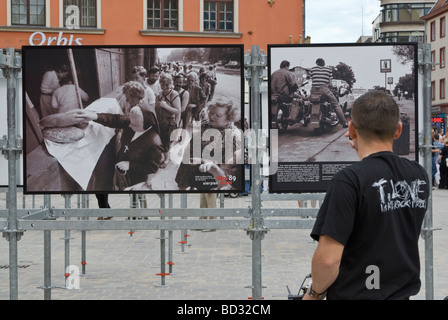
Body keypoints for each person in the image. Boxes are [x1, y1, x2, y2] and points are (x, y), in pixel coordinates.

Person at [303, 91, 429, 300]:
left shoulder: (349, 180)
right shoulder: (418, 174)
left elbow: (328, 260)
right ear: (398, 130)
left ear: (351, 128)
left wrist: (314, 294)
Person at [308, 58, 348, 128]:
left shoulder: (312, 69)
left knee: (309, 102)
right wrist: (330, 89)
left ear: (316, 63)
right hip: (324, 89)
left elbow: (312, 79)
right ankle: (344, 122)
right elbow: (330, 84)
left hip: (314, 90)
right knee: (336, 105)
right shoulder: (328, 70)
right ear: (324, 63)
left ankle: (306, 118)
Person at [155, 73, 181, 151]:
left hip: (169, 124)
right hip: (160, 122)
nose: (165, 87)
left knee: (167, 143)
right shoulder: (160, 94)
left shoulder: (174, 94)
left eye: (167, 85)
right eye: (163, 85)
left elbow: (178, 111)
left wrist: (165, 106)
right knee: (159, 141)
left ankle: (166, 159)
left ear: (171, 84)